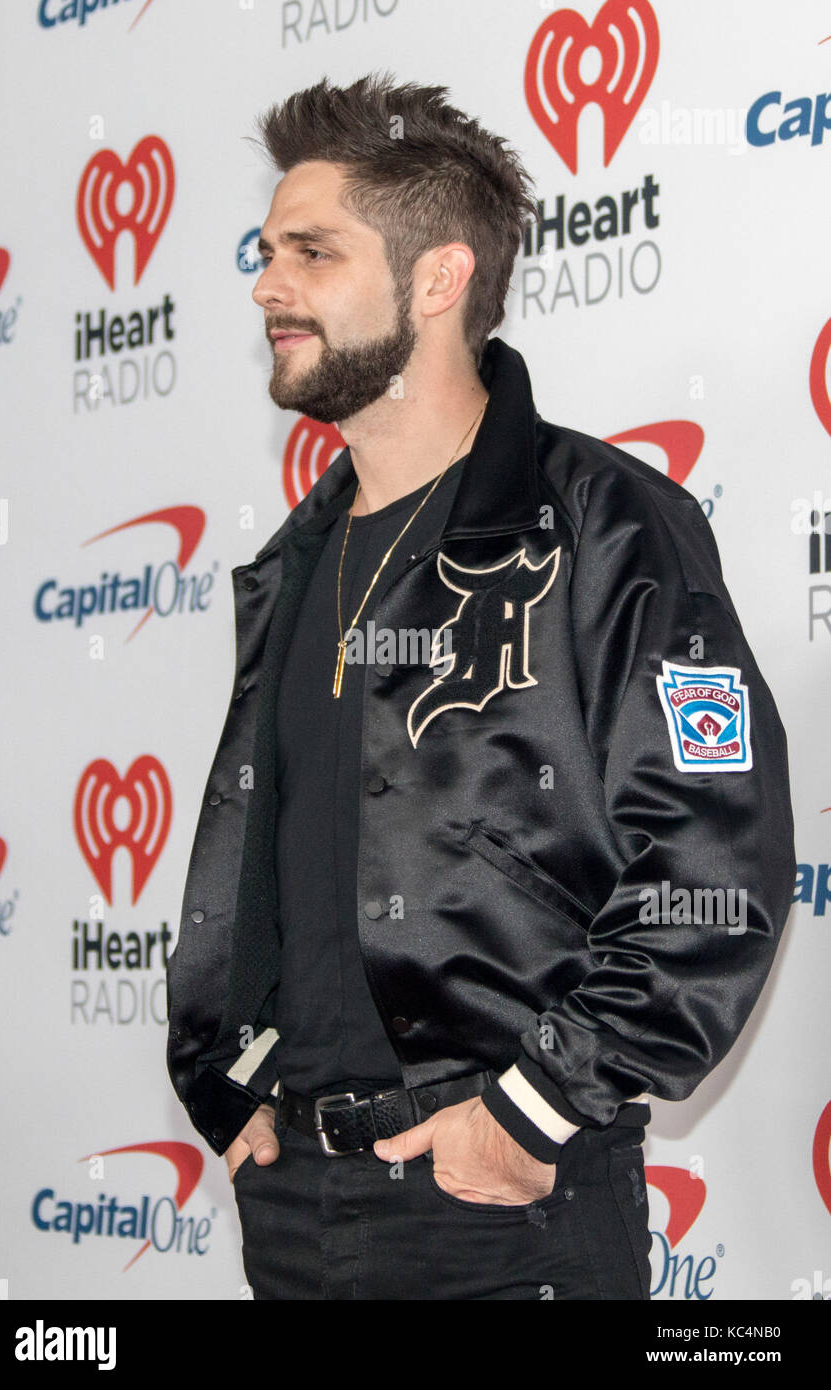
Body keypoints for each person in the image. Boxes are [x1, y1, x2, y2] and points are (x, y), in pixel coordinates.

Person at [165, 72, 796, 1300]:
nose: (265, 285)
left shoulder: (606, 528)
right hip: (290, 1203)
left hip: (502, 1214)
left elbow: (715, 859)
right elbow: (271, 863)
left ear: (437, 279)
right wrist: (220, 1075)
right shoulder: (299, 557)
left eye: (310, 250)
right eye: (263, 250)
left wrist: (536, 1105)